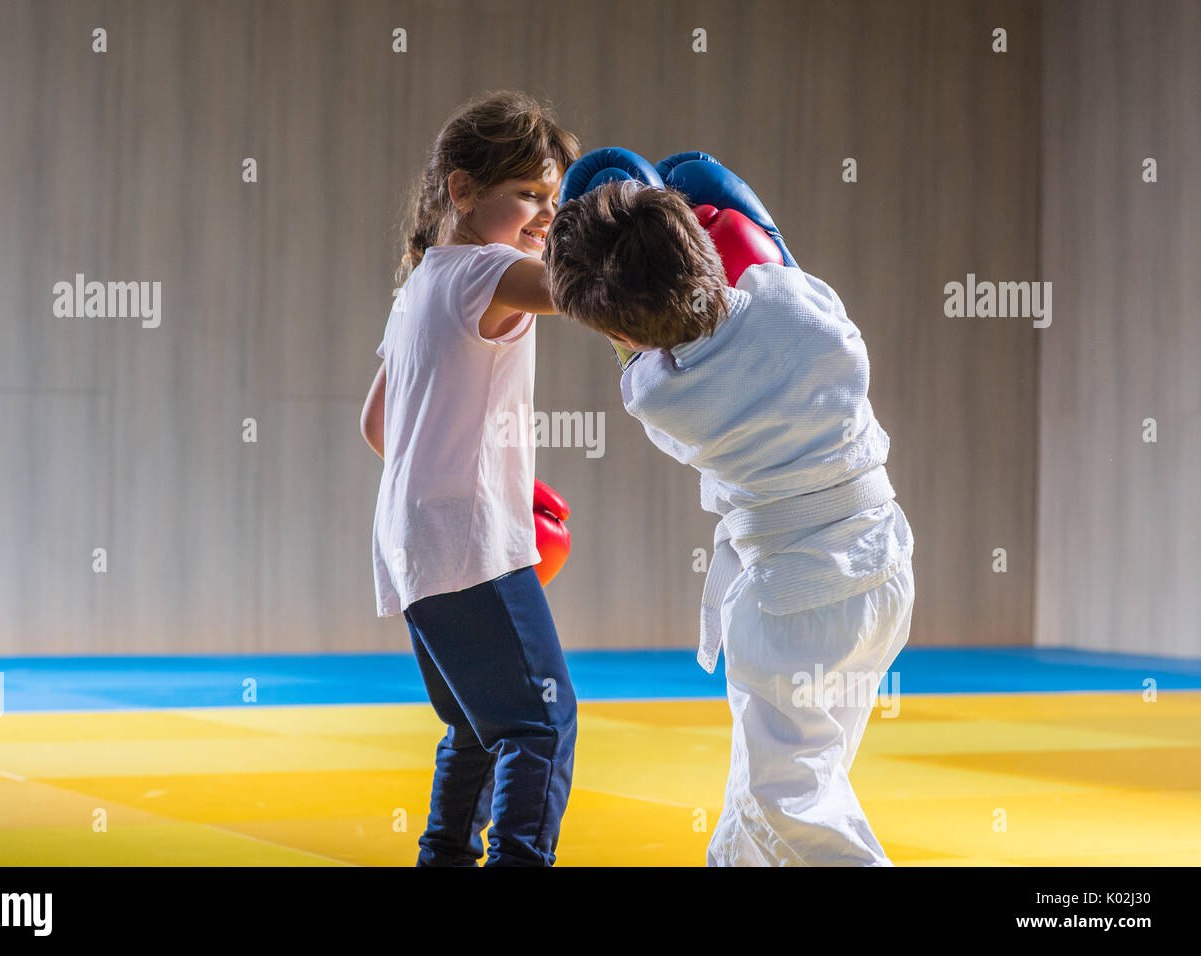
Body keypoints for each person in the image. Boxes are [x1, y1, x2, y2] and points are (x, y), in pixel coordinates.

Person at [545, 178, 915, 866]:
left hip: (792, 601)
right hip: (884, 565)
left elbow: (636, 347)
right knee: (783, 781)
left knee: (788, 800)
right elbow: (755, 245)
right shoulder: (805, 309)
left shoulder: (660, 397)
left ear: (621, 332)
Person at [358, 91, 580, 866]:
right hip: (466, 543)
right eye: (529, 195)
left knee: (480, 726)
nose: (546, 216)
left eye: (554, 200)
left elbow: (377, 428)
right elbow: (584, 293)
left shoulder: (419, 285)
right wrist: (657, 238)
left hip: (411, 543)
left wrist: (469, 466)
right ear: (461, 189)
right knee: (541, 723)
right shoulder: (490, 270)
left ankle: (442, 857)